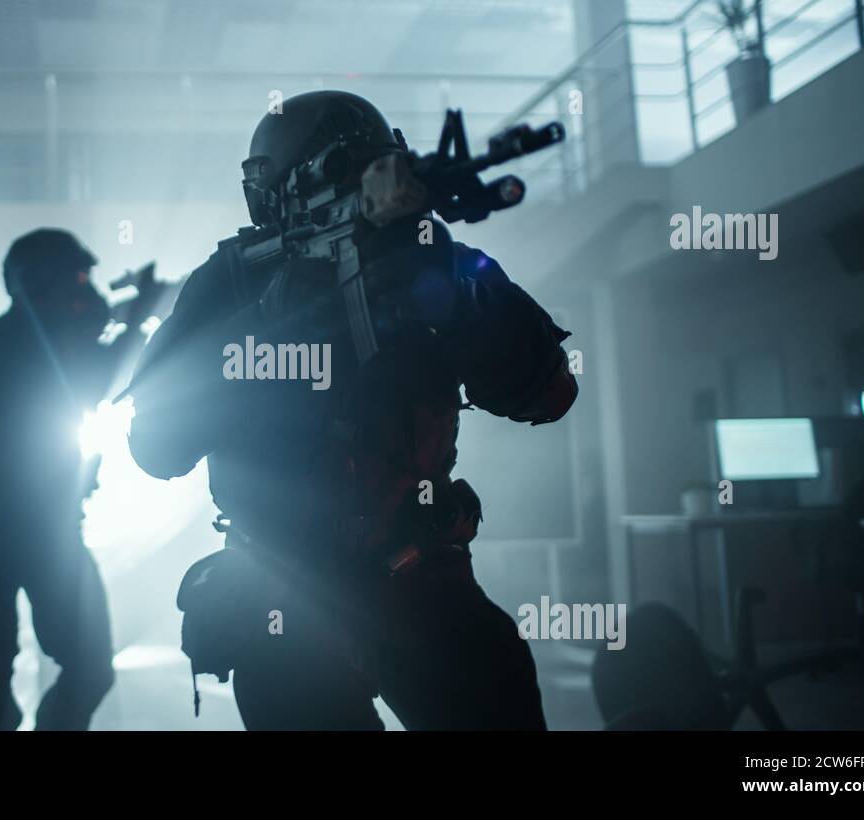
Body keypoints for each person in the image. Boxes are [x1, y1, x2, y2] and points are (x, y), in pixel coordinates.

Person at [123, 91, 579, 730]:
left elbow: (552, 394)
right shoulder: (235, 282)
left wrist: (455, 302)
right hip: (278, 594)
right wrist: (263, 328)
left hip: (420, 575)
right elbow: (155, 448)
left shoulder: (431, 256)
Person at [0, 229, 133, 730]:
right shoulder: (0, 347)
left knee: (76, 666)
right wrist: (134, 323)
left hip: (33, 533)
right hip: (7, 536)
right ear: (33, 287)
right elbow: (96, 374)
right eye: (73, 281)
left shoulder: (6, 343)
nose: (87, 294)